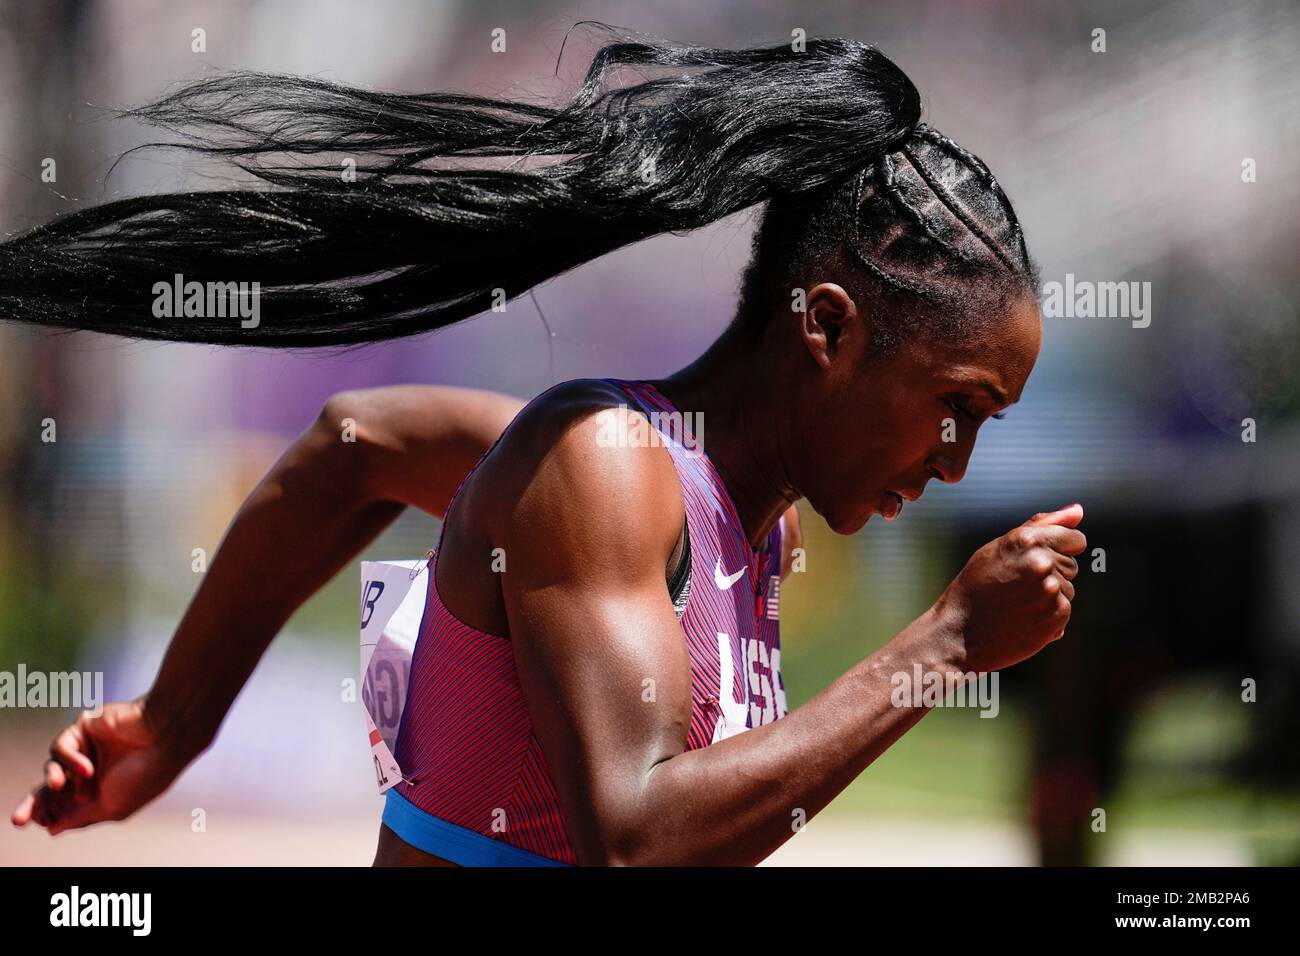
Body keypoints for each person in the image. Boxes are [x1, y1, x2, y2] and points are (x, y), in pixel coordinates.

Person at [6, 29, 1084, 865]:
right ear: (829, 329)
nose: (956, 460)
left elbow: (358, 444)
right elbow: (636, 837)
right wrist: (940, 647)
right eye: (958, 404)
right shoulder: (603, 468)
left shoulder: (739, 520)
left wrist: (174, 721)